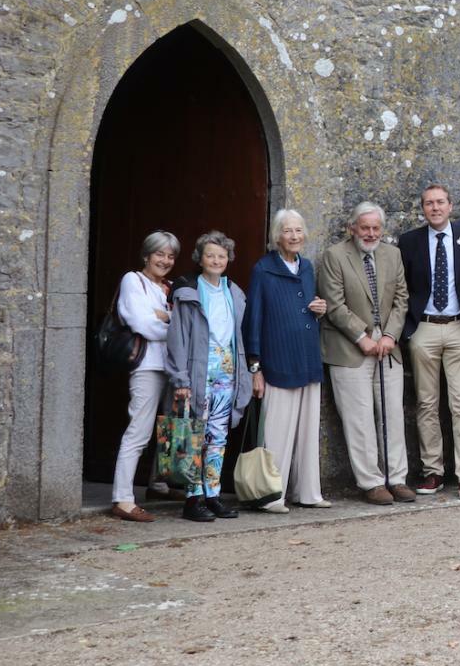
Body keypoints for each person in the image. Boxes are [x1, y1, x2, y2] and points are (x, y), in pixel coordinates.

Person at [400, 183, 460, 501]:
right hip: (424, 327)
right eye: (429, 203)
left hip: (459, 327)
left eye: (440, 202)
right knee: (426, 403)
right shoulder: (409, 242)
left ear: (451, 205)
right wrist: (408, 329)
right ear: (422, 208)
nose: (435, 208)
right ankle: (433, 471)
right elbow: (404, 287)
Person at [318, 203, 414, 505]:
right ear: (352, 228)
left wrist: (388, 336)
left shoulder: (392, 254)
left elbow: (401, 299)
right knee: (358, 419)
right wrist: (362, 337)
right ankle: (371, 482)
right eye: (365, 227)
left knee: (392, 416)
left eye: (375, 228)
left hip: (388, 347)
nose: (370, 233)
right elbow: (333, 304)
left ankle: (397, 478)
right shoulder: (335, 256)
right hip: (350, 348)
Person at [243, 209, 329, 513]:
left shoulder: (306, 267)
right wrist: (256, 367)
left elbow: (305, 306)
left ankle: (308, 492)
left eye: (298, 231)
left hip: (307, 357)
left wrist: (319, 307)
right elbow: (253, 320)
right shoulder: (263, 269)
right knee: (277, 431)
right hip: (277, 361)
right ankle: (272, 495)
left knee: (308, 432)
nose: (294, 236)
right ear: (277, 236)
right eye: (287, 231)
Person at [164, 231, 249, 521]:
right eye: (210, 255)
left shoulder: (234, 292)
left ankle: (212, 494)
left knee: (218, 437)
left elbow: (237, 338)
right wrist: (181, 380)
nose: (216, 260)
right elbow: (177, 338)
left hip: (226, 373)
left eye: (221, 256)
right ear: (200, 258)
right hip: (198, 372)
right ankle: (192, 498)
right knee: (193, 437)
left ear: (229, 259)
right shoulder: (188, 291)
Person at [109, 231, 179, 521]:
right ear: (147, 255)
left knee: (167, 429)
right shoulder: (133, 280)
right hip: (147, 366)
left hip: (172, 367)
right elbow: (143, 324)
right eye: (160, 254)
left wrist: (166, 318)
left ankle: (158, 484)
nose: (165, 260)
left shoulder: (170, 287)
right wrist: (171, 323)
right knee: (139, 431)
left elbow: (187, 325)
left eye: (171, 256)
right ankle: (123, 499)